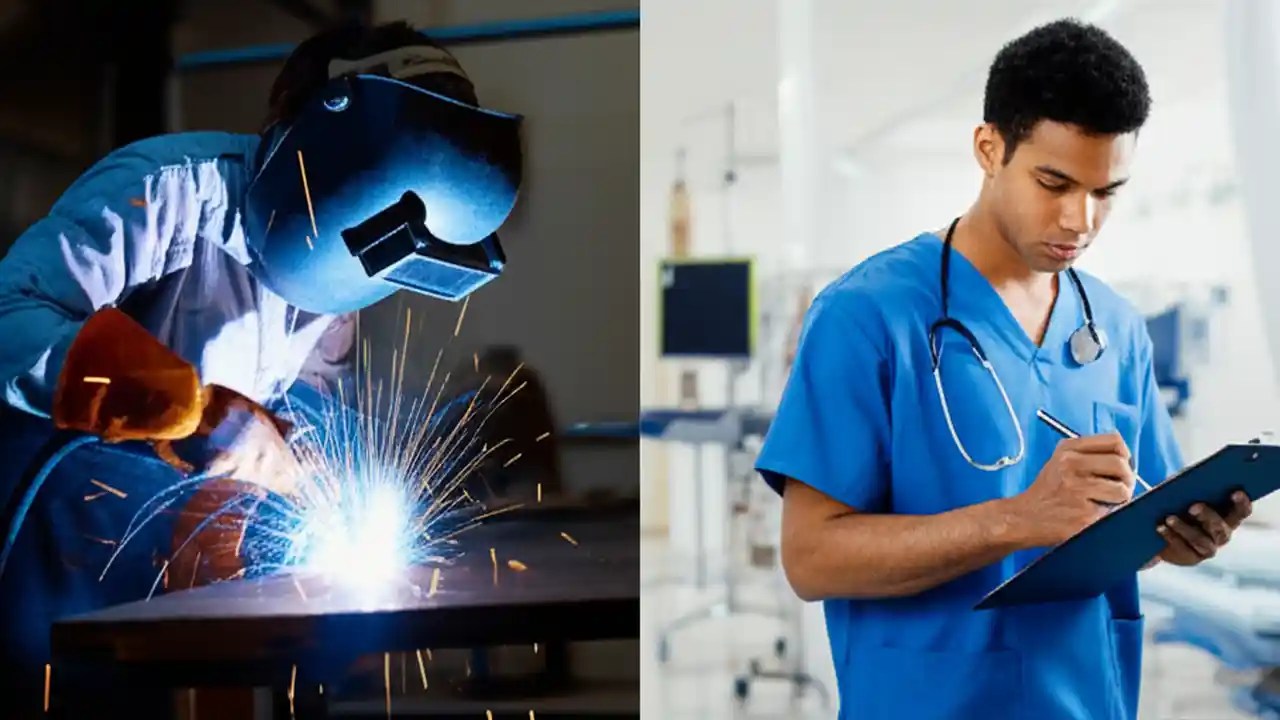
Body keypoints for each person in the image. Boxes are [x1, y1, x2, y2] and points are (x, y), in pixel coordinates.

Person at [0, 19, 522, 717]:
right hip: (40, 508)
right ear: (296, 118)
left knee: (263, 557)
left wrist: (320, 462)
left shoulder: (349, 272)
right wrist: (185, 409)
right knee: (207, 536)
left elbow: (310, 395)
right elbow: (10, 320)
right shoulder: (169, 192)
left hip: (181, 541)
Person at [756, 19, 1252, 720]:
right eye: (1054, 181)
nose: (1080, 219)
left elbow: (1129, 534)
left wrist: (1180, 539)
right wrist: (1017, 519)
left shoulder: (1113, 328)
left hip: (1087, 697)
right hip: (930, 700)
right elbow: (810, 559)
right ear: (989, 148)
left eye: (1105, 192)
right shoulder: (868, 316)